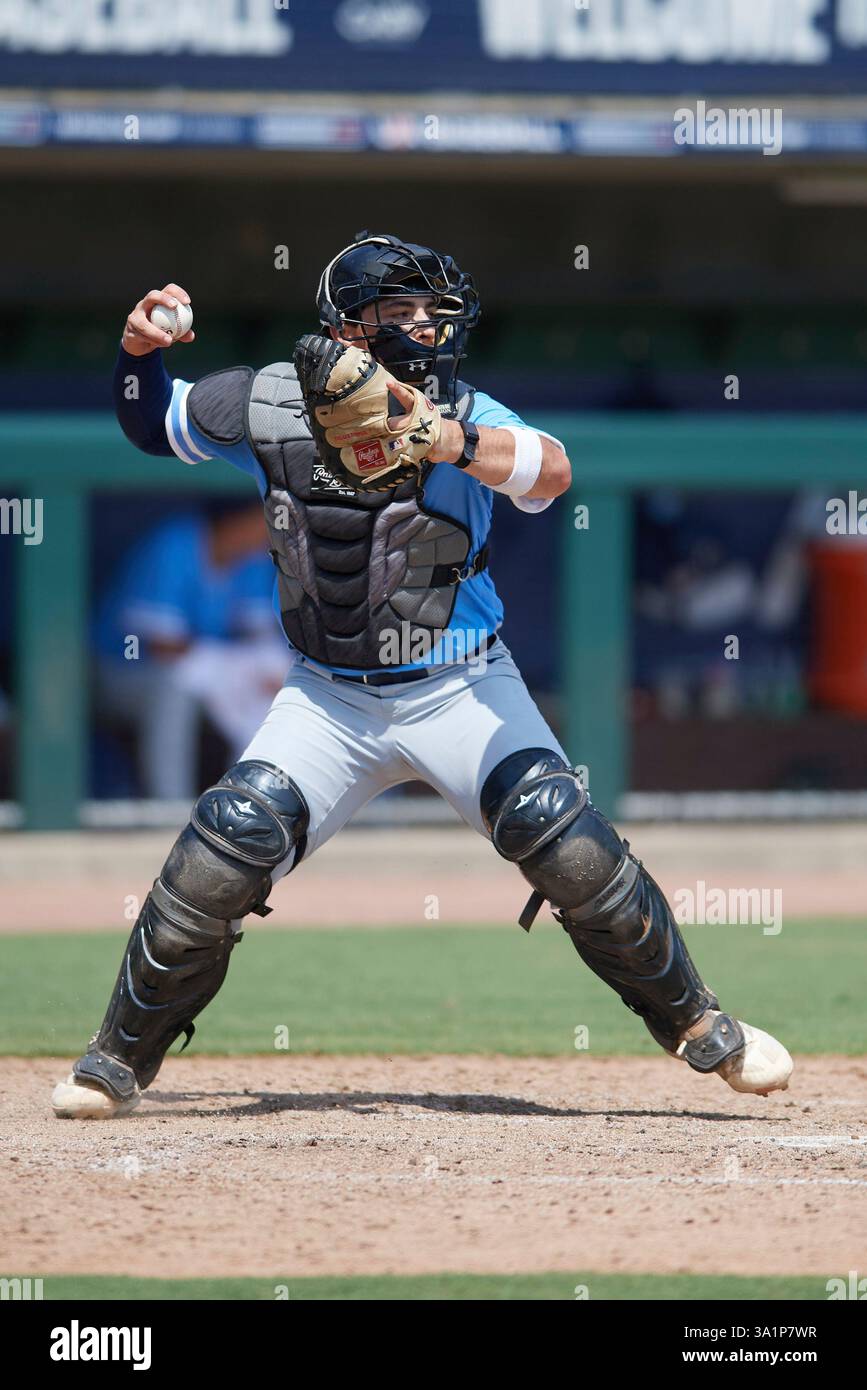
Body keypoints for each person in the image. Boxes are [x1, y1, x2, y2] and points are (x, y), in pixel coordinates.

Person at [52, 232, 792, 1118]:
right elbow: (151, 423)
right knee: (226, 847)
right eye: (398, 313)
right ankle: (115, 1061)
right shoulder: (269, 405)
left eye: (431, 313)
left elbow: (550, 472)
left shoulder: (471, 411)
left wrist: (436, 437)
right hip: (328, 696)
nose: (424, 330)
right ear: (346, 326)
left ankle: (704, 1026)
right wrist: (137, 352)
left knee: (566, 840)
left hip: (460, 685)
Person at [93, 502, 286, 800]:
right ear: (234, 519)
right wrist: (231, 663)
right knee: (175, 687)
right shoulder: (177, 543)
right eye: (261, 520)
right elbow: (161, 645)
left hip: (201, 670)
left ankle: (255, 799)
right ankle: (169, 806)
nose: (269, 531)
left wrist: (265, 669)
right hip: (119, 670)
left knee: (275, 688)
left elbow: (259, 634)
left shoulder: (253, 559)